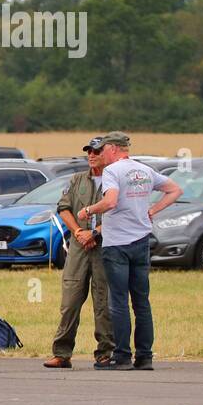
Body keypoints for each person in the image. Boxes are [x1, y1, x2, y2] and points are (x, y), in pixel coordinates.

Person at [77, 131, 182, 370]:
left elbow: (111, 201)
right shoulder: (144, 170)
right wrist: (153, 210)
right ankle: (145, 356)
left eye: (103, 149)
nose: (100, 153)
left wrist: (89, 210)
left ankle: (122, 355)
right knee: (142, 301)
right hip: (141, 241)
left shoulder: (112, 171)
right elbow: (175, 190)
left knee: (118, 301)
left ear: (114, 149)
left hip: (117, 244)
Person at [43, 138, 114, 369]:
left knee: (104, 301)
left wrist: (95, 233)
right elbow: (63, 208)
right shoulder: (76, 180)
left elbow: (120, 213)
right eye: (88, 152)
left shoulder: (114, 180)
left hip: (105, 246)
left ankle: (105, 352)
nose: (91, 155)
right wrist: (79, 232)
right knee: (70, 300)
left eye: (96, 151)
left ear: (106, 154)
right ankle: (62, 353)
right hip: (78, 246)